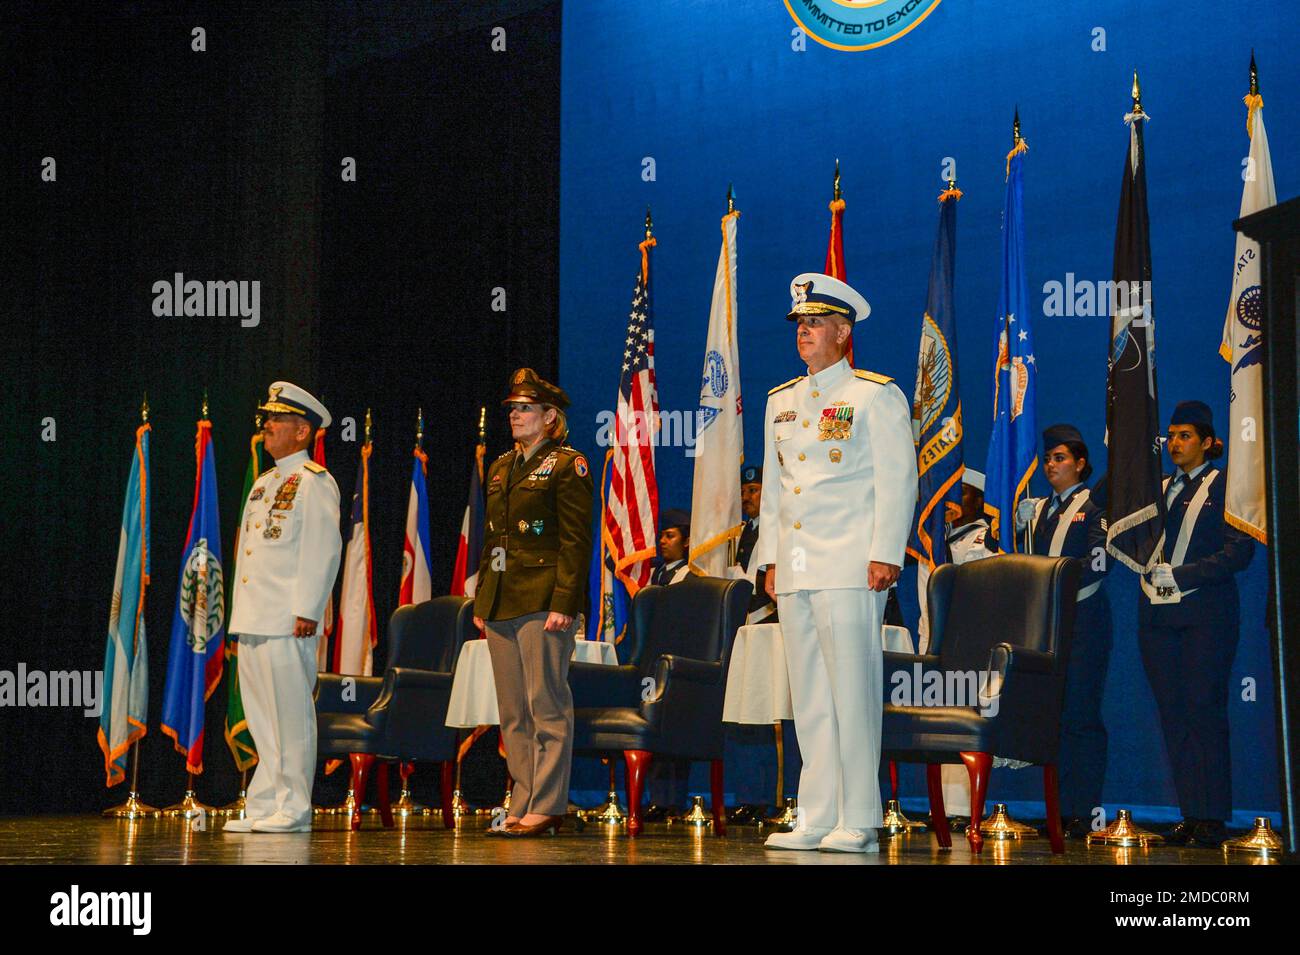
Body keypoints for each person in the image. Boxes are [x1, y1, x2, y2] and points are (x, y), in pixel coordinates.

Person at [755, 272, 917, 853]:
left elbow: (898, 479)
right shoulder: (781, 401)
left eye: (816, 322)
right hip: (796, 568)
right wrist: (769, 560)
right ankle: (816, 814)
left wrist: (884, 552)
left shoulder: (874, 395)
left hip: (851, 564)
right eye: (800, 322)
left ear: (844, 333)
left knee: (852, 692)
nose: (804, 331)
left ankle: (860, 817)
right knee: (811, 698)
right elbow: (777, 489)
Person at [474, 368, 593, 837]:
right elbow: (492, 538)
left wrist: (565, 601)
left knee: (546, 704)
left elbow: (575, 541)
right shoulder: (502, 466)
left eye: (525, 409)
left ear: (550, 418)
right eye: (512, 409)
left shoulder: (568, 465)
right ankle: (522, 801)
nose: (516, 416)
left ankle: (547, 803)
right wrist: (484, 596)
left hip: (545, 600)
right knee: (513, 711)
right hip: (502, 599)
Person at [224, 382, 342, 834]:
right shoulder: (263, 483)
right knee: (261, 716)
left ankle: (294, 806)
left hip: (290, 618)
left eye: (277, 420)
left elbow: (324, 549)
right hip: (256, 616)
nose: (267, 426)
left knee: (290, 715)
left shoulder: (315, 482)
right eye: (267, 418)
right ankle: (265, 803)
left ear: (301, 431)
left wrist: (308, 608)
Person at [1138, 400, 1254, 848]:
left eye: (1185, 435)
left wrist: (1183, 575)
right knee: (1174, 716)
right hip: (1157, 616)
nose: (1174, 443)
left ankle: (1213, 816)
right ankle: (1190, 811)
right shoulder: (1159, 487)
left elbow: (1238, 552)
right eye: (1170, 435)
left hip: (1206, 614)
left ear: (1207, 442)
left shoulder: (1226, 486)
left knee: (1204, 713)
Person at [1014, 424, 1113, 839]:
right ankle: (1056, 809)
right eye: (1049, 458)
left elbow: (1098, 560)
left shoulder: (1095, 506)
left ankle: (1082, 811)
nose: (1052, 465)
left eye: (1060, 458)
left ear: (1081, 463)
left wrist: (1055, 591)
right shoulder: (1041, 510)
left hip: (1082, 619)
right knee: (1051, 719)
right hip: (1046, 624)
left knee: (1080, 717)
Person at [735, 465, 778, 624]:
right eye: (742, 492)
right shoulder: (741, 531)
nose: (745, 498)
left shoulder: (779, 528)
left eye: (752, 490)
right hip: (744, 613)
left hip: (770, 614)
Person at [650, 509, 692, 586]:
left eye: (669, 536)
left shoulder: (689, 576)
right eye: (661, 536)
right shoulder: (655, 572)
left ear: (686, 541)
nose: (662, 541)